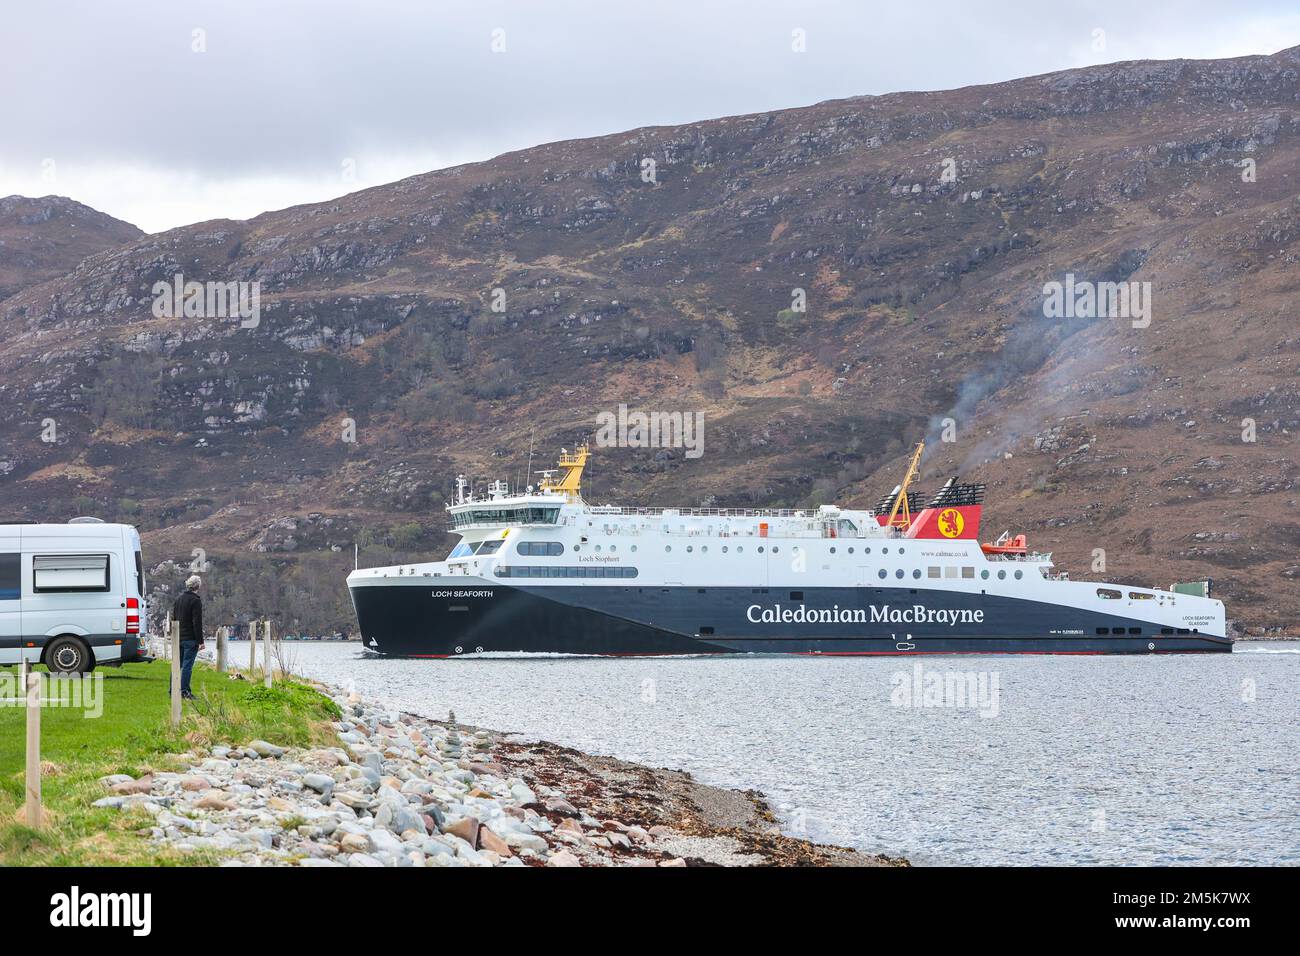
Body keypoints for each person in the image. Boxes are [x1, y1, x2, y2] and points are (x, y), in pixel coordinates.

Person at [172, 575, 204, 700]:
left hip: (178, 637)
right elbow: (197, 622)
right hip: (190, 638)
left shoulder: (178, 599)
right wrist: (200, 641)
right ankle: (184, 691)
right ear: (198, 586)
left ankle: (173, 689)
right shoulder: (195, 600)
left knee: (176, 665)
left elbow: (174, 618)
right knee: (187, 666)